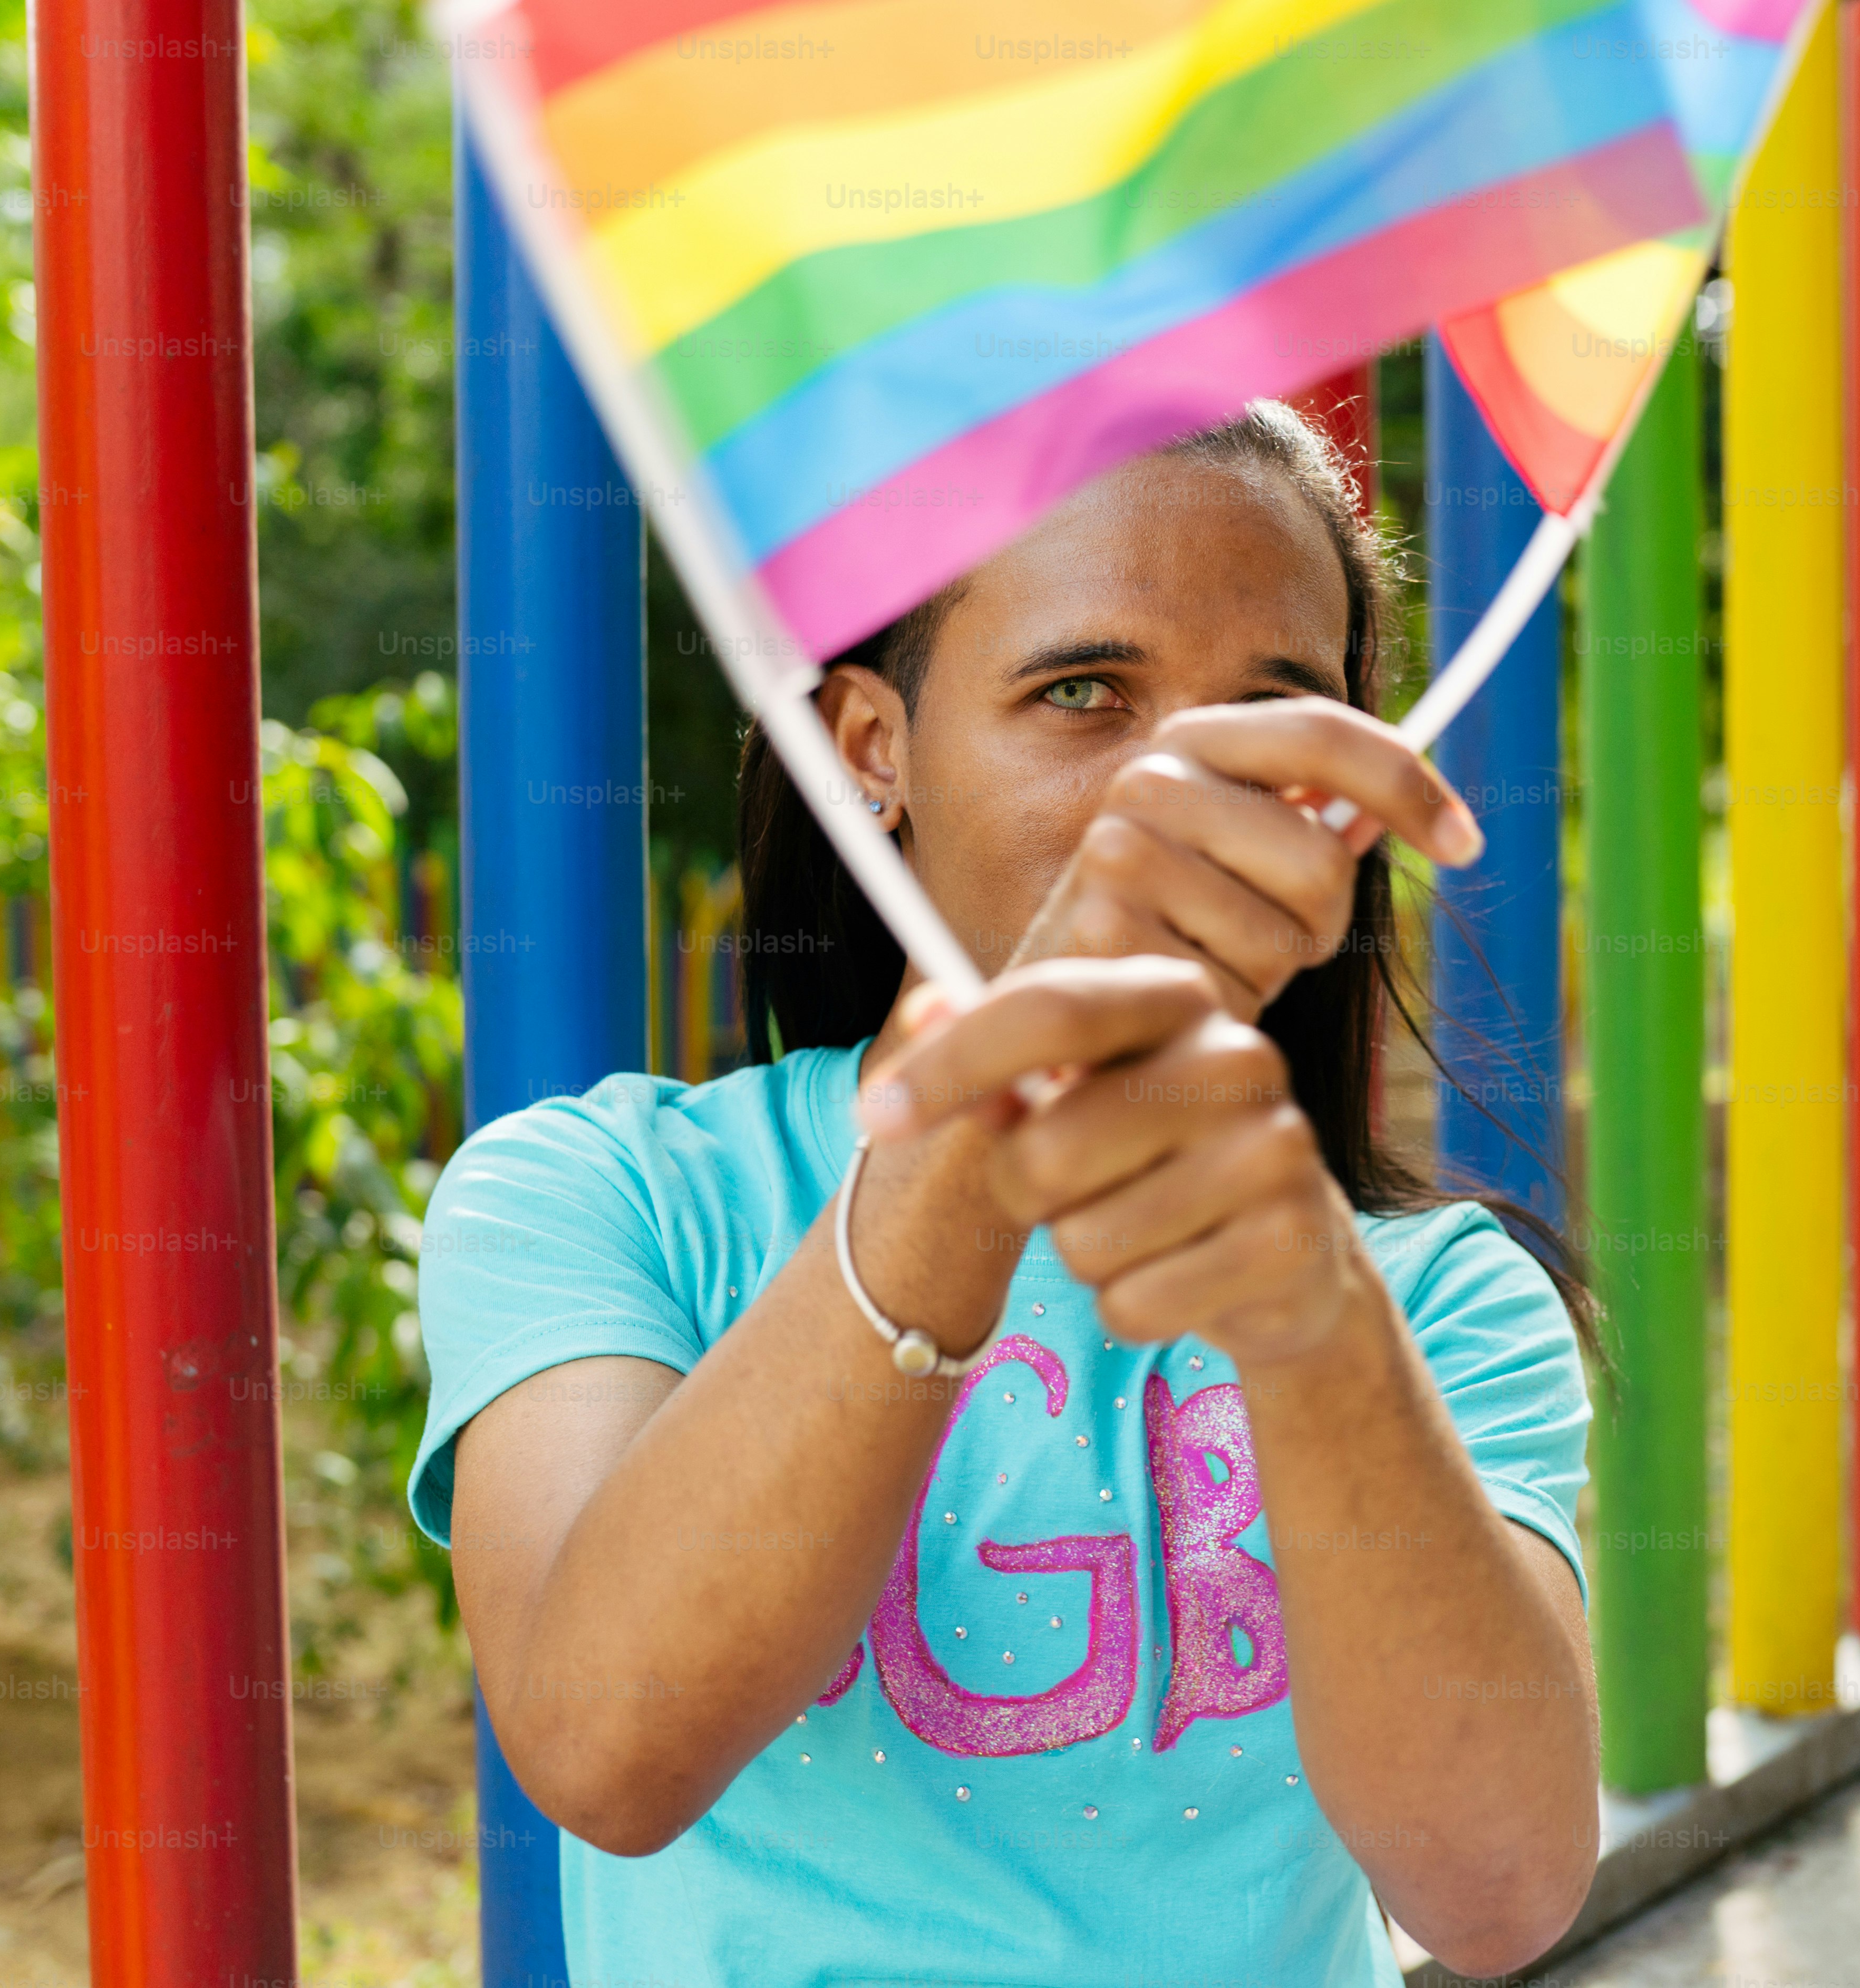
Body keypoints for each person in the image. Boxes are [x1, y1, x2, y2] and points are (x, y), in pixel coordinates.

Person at [410, 400, 1601, 1986]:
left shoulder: (1436, 1296)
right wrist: (964, 1145)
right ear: (873, 751)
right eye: (1084, 693)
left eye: (1271, 712)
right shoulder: (608, 1197)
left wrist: (1316, 1326)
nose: (1182, 786)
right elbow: (607, 1747)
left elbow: (1500, 1887)